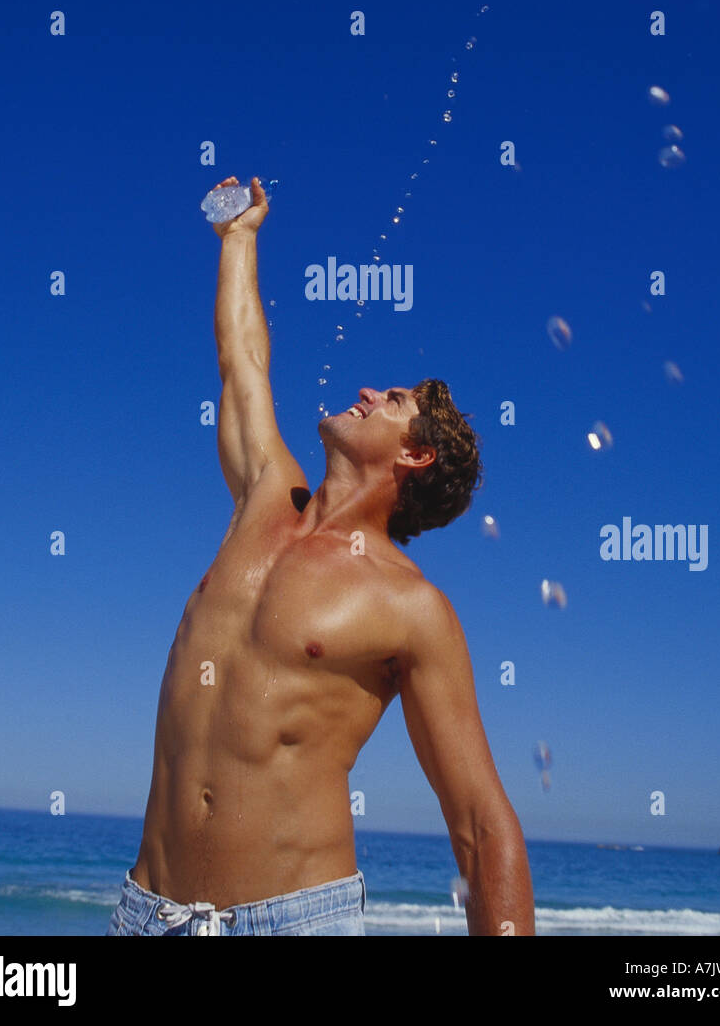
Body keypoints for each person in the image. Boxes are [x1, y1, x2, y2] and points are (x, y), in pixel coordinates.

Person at [107, 176, 534, 936]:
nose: (369, 391)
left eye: (393, 402)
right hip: (148, 915)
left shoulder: (410, 608)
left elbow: (479, 822)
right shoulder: (266, 496)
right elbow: (242, 368)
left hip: (292, 921)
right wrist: (239, 239)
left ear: (416, 459)